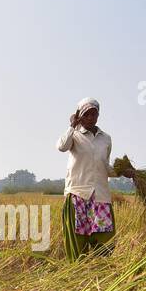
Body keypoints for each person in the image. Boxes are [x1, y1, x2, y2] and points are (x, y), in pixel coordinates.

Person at [57, 97, 115, 258]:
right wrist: (72, 126)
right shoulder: (74, 135)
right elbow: (62, 147)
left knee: (105, 242)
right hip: (78, 194)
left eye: (93, 114)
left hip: (100, 196)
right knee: (77, 243)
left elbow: (105, 167)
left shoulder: (106, 138)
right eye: (86, 114)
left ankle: (100, 274)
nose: (90, 118)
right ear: (79, 115)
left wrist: (122, 171)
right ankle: (77, 276)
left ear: (98, 115)